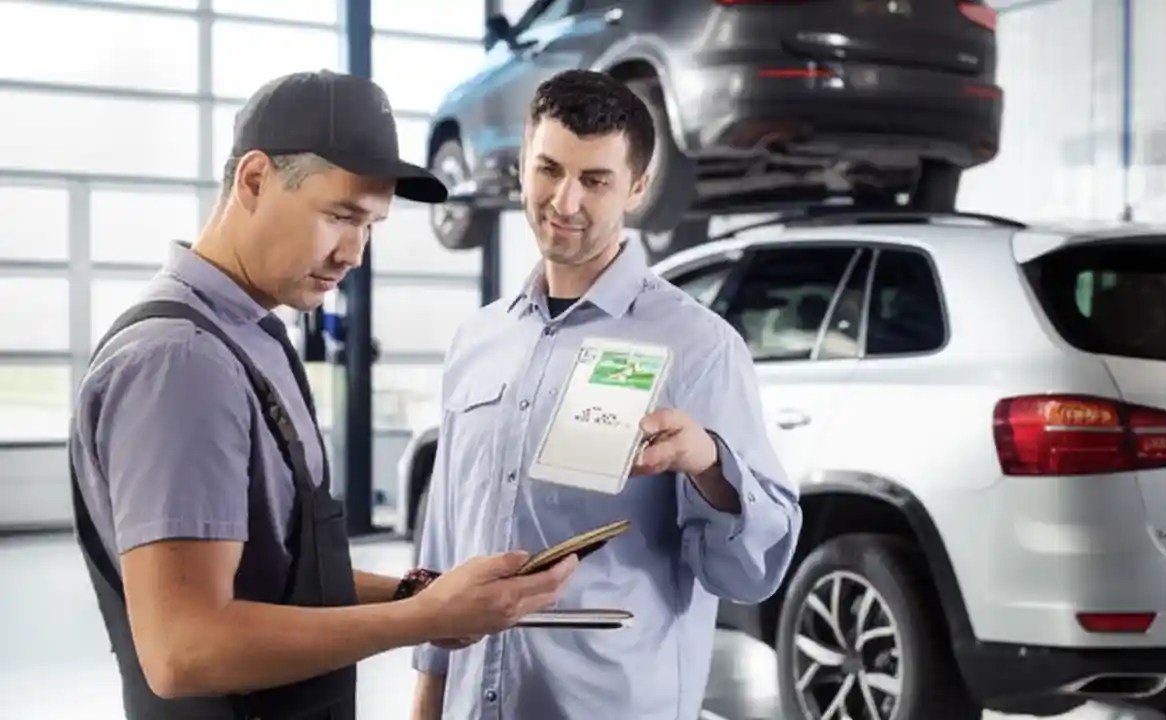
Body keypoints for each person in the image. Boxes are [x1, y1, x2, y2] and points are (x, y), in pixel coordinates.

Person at [68, 70, 577, 720]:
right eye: (340, 216)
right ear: (254, 181)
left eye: (371, 226)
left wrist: (411, 592)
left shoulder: (249, 336)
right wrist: (422, 618)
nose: (354, 253)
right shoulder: (183, 362)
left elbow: (279, 574)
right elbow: (185, 647)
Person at [411, 70, 802, 720]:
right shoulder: (477, 340)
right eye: (548, 170)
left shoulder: (700, 347)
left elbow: (753, 573)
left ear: (638, 188)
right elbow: (442, 549)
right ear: (522, 168)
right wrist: (425, 706)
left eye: (595, 181)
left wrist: (707, 462)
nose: (564, 201)